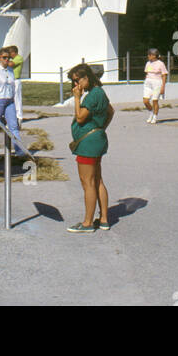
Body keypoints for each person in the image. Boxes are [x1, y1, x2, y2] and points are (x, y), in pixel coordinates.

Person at [67, 63, 113, 233]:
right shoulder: (101, 93)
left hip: (88, 144)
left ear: (87, 77)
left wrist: (77, 98)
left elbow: (80, 118)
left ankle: (87, 223)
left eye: (77, 81)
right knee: (97, 180)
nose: (75, 85)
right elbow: (111, 111)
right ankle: (104, 219)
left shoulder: (92, 96)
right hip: (97, 139)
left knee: (87, 183)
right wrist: (100, 129)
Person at [0, 47, 26, 157]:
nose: (6, 60)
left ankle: (18, 150)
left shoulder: (10, 70)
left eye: (8, 58)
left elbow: (12, 86)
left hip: (9, 101)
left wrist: (13, 99)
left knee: (13, 126)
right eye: (4, 58)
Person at [142, 48, 168, 123]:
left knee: (155, 100)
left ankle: (155, 116)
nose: (148, 56)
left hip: (157, 83)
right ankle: (151, 112)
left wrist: (163, 87)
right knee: (145, 101)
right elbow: (147, 73)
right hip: (148, 83)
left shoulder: (160, 64)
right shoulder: (148, 63)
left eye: (150, 55)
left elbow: (164, 75)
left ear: (154, 55)